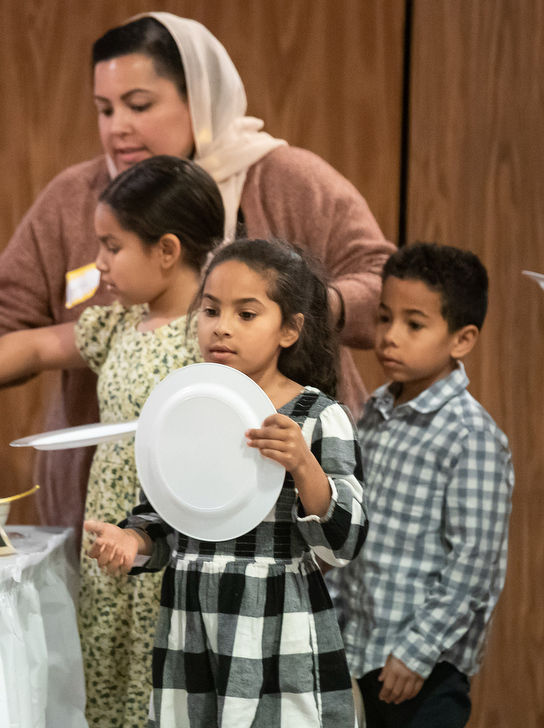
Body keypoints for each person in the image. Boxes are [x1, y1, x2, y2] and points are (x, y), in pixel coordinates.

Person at [0, 12, 395, 532]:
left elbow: (379, 277)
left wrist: (294, 308)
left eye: (139, 105)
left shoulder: (284, 178)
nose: (118, 126)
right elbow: (13, 314)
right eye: (104, 109)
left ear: (200, 100)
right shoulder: (79, 195)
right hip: (116, 500)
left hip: (274, 486)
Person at [0, 156, 225, 728]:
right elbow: (33, 347)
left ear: (166, 250)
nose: (98, 263)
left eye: (112, 247)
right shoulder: (118, 324)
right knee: (109, 689)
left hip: (171, 555)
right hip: (107, 546)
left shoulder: (213, 335)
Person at [86, 238, 368, 728]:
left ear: (290, 329)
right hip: (190, 621)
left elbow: (345, 540)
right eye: (211, 310)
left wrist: (305, 466)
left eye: (247, 314)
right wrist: (130, 539)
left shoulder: (318, 417)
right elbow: (161, 516)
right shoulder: (185, 407)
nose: (222, 327)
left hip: (276, 623)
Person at [329, 243, 514, 728]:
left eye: (414, 324)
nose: (389, 337)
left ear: (462, 339)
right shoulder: (371, 415)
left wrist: (418, 651)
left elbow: (474, 562)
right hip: (357, 650)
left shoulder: (470, 435)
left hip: (424, 667)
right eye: (385, 318)